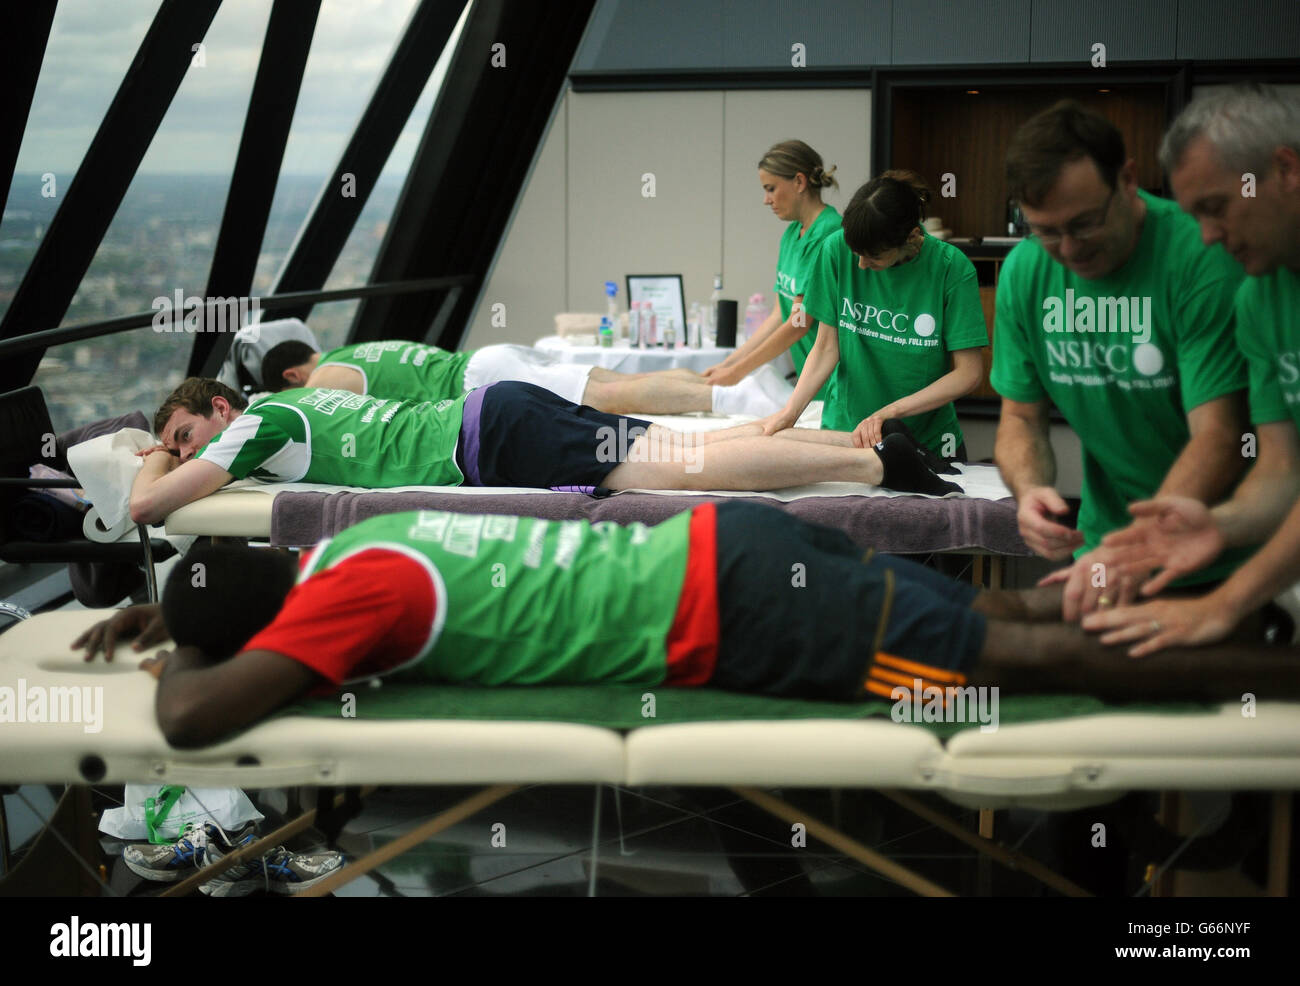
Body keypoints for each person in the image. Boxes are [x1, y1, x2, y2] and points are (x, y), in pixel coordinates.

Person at [77, 503, 1300, 749]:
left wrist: (191, 639)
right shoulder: (339, 551)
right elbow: (236, 590)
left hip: (747, 618)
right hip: (735, 540)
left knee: (1021, 662)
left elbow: (189, 719)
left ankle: (1262, 674)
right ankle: (1255, 636)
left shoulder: (341, 606)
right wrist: (183, 595)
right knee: (1000, 605)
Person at [990, 100, 1253, 622]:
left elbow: (1219, 437)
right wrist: (1030, 489)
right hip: (1108, 556)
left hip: (1224, 559)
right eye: (1044, 230)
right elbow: (1020, 418)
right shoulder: (1024, 273)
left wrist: (1135, 548)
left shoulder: (1202, 258)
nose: (1068, 248)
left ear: (1128, 180)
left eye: (1084, 224)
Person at [1082, 84, 1300, 655]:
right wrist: (1221, 524)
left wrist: (1222, 605)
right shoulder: (1259, 297)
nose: (1205, 236)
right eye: (1192, 214)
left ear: (1285, 170)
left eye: (1216, 207)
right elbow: (1282, 466)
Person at [128, 376, 962, 525]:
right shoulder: (287, 408)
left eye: (184, 435)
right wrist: (162, 448)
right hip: (501, 417)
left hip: (500, 437)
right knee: (687, 443)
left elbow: (146, 506)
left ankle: (877, 467)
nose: (185, 450)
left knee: (684, 468)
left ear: (219, 409)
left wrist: (151, 460)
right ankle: (874, 442)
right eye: (175, 444)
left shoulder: (256, 426)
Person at [761, 171, 989, 465]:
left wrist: (890, 412)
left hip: (927, 442)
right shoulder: (835, 250)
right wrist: (790, 413)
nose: (860, 264)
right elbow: (826, 348)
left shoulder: (951, 269)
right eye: (856, 253)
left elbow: (968, 374)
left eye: (873, 257)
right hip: (846, 435)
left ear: (912, 238)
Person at [261, 338, 792, 418]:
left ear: (292, 374)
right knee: (609, 379)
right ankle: (728, 389)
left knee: (611, 397)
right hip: (485, 358)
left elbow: (361, 421)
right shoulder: (353, 348)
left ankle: (735, 398)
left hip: (475, 381)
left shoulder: (325, 378)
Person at [702, 140, 843, 395]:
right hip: (808, 383)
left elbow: (799, 322)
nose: (766, 200)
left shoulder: (829, 233)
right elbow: (779, 316)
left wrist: (737, 373)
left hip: (832, 383)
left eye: (771, 189)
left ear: (799, 182)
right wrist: (728, 363)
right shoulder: (792, 234)